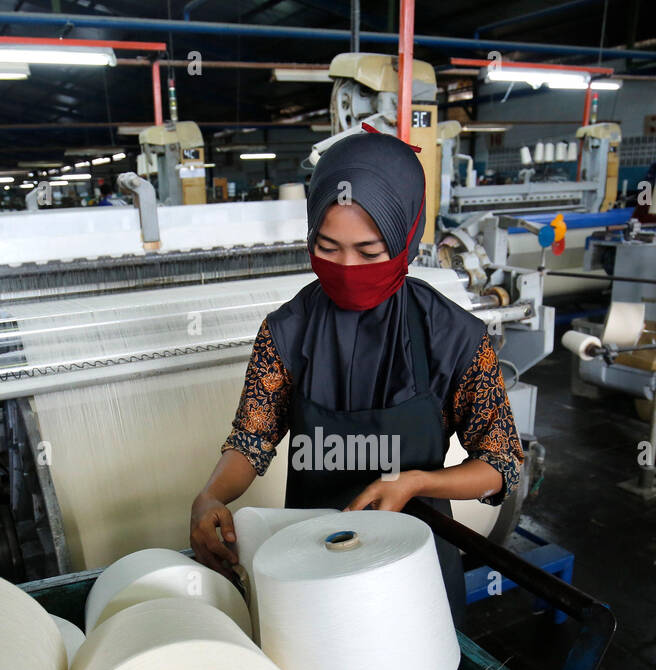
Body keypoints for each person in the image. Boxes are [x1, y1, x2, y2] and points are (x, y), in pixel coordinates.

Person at [189, 131, 523, 624]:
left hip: (415, 570)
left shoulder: (453, 337)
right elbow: (251, 441)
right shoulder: (287, 332)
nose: (346, 268)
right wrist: (210, 496)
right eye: (327, 247)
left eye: (369, 252)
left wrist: (415, 483)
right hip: (309, 567)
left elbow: (501, 464)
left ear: (407, 236)